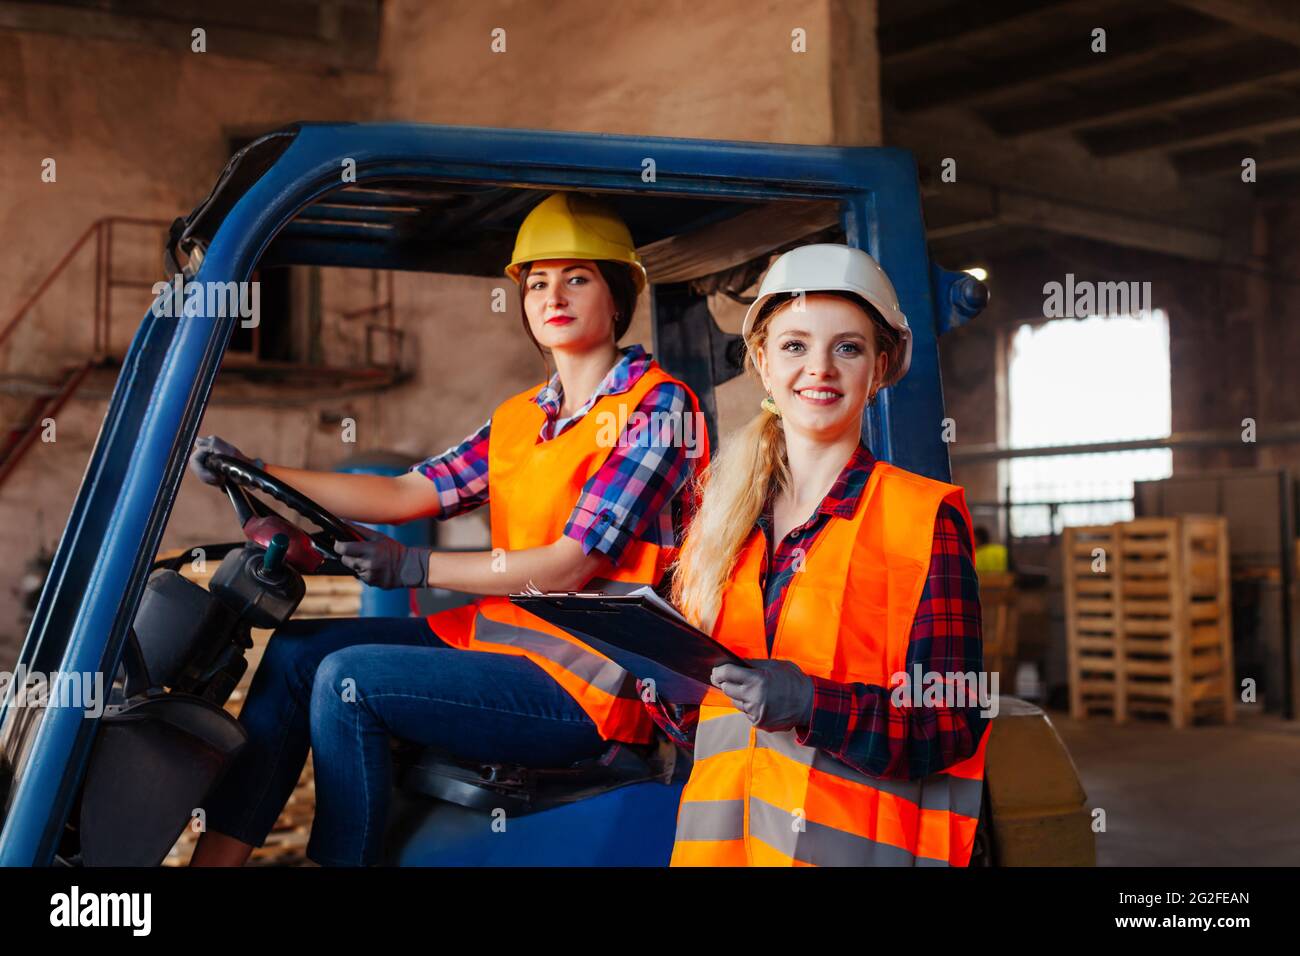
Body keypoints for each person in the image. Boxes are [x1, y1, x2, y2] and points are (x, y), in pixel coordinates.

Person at [187, 192, 709, 866]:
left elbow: (569, 565)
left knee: (350, 679)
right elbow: (407, 492)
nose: (554, 296)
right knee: (293, 656)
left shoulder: (657, 406)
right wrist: (258, 471)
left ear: (617, 298)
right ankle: (215, 864)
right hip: (497, 648)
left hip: (590, 687)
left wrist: (413, 568)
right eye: (538, 283)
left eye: (577, 278)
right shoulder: (523, 416)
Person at [649, 243, 989, 867]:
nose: (820, 369)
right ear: (762, 360)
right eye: (795, 345)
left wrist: (812, 703)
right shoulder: (721, 528)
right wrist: (664, 685)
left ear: (881, 367)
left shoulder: (923, 520)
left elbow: (952, 721)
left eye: (848, 347)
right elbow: (707, 726)